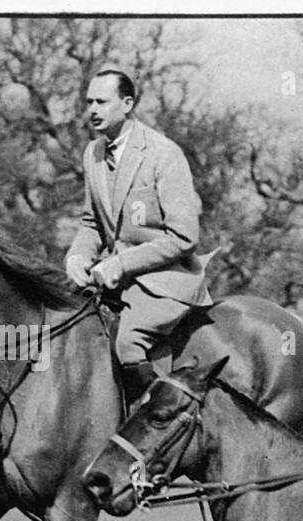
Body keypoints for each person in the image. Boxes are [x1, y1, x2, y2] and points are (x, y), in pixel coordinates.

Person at [65, 67, 212, 408]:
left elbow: (183, 237)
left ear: (127, 103)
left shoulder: (164, 153)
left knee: (127, 343)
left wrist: (120, 263)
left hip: (165, 281)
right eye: (89, 102)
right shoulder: (93, 153)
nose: (92, 110)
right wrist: (77, 256)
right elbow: (91, 223)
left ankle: (156, 425)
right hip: (113, 280)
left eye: (102, 101)